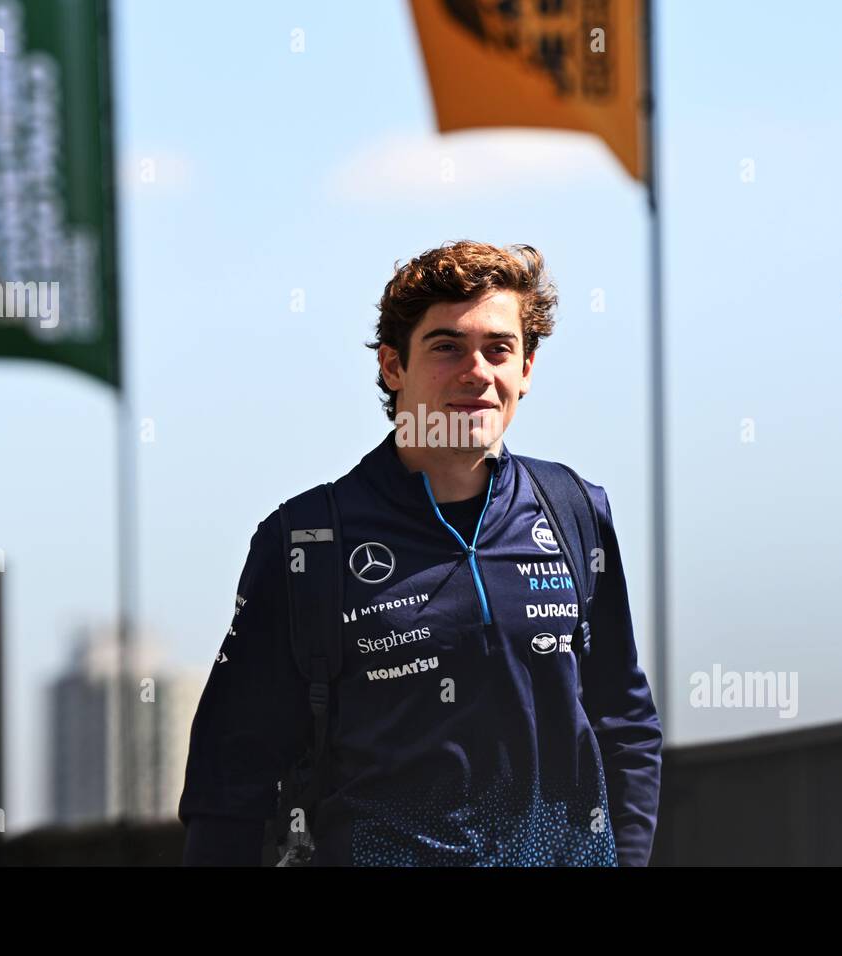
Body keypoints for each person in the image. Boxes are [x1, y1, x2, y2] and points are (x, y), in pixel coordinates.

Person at [178, 239, 662, 866]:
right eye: (446, 348)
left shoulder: (574, 509)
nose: (477, 372)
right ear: (392, 367)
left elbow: (624, 723)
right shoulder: (307, 539)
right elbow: (231, 770)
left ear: (527, 370)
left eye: (499, 349)